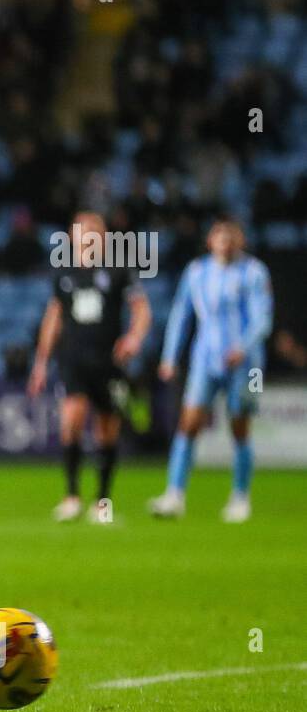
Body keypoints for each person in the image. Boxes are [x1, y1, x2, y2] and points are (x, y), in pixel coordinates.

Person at [28, 211, 150, 522]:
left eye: (95, 230)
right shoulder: (64, 274)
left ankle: (102, 502)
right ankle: (71, 496)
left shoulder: (120, 270)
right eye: (83, 231)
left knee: (107, 429)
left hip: (109, 361)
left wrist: (134, 337)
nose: (89, 236)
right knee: (71, 419)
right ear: (73, 237)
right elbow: (53, 318)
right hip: (73, 359)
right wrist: (41, 362)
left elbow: (141, 309)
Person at [149, 219, 272, 522]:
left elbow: (263, 320)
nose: (226, 241)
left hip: (247, 364)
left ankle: (240, 497)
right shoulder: (196, 272)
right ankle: (174, 495)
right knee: (188, 423)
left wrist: (241, 347)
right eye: (220, 236)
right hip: (205, 359)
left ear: (241, 240)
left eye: (231, 236)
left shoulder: (254, 272)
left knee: (240, 426)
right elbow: (181, 315)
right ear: (210, 240)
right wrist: (169, 357)